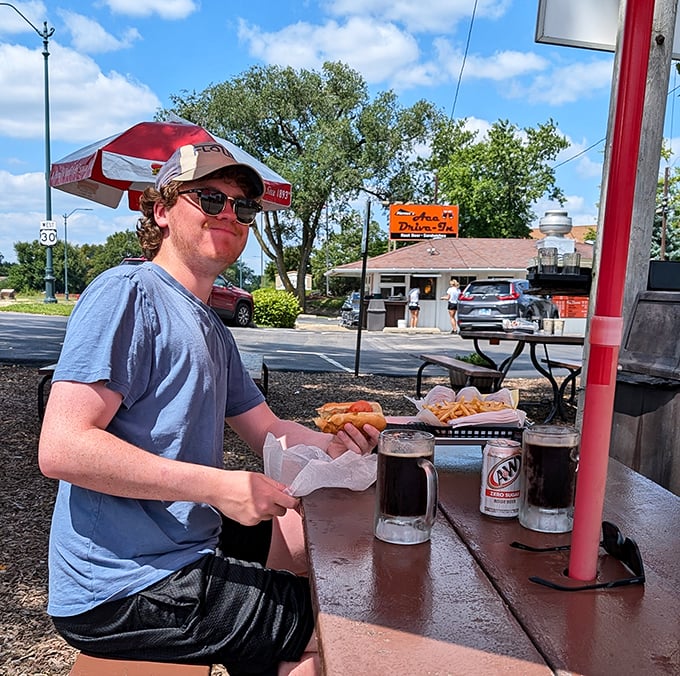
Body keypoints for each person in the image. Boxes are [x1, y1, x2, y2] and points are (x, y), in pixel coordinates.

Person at [38, 142, 380, 676]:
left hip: (184, 543)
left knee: (307, 536)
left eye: (242, 207)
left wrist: (337, 445)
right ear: (162, 210)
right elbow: (63, 448)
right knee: (345, 629)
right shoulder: (127, 293)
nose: (229, 214)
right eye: (209, 198)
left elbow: (266, 428)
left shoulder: (210, 327)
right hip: (123, 585)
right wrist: (218, 487)